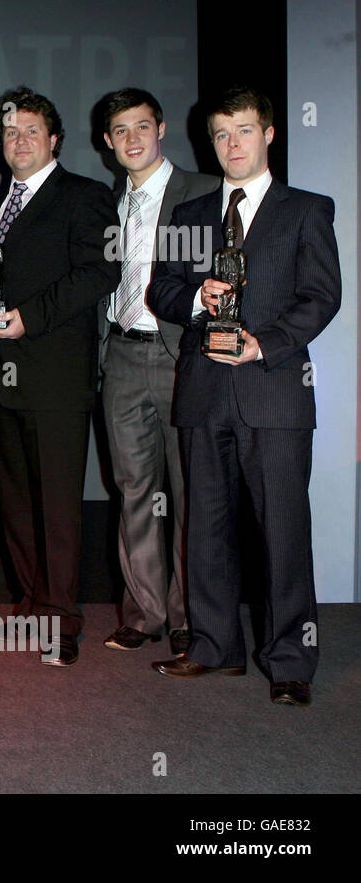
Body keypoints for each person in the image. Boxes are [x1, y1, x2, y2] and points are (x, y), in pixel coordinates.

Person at [147, 87, 341, 706]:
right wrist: (193, 298)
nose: (233, 144)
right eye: (222, 134)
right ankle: (213, 647)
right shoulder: (188, 215)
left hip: (275, 391)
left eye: (245, 131)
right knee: (204, 526)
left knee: (282, 530)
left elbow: (321, 297)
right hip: (204, 391)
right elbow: (161, 291)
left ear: (270, 135)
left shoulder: (307, 209)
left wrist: (267, 344)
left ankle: (290, 663)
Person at [0, 87, 119, 667]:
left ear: (54, 139)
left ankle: (60, 618)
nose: (20, 140)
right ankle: (30, 604)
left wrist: (24, 320)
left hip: (55, 375)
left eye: (31, 130)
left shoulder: (85, 197)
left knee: (56, 503)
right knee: (13, 500)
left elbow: (99, 272)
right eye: (10, 132)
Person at [97, 88, 219, 656]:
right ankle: (145, 613)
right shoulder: (110, 205)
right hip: (120, 356)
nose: (132, 138)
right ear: (107, 141)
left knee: (192, 492)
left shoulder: (203, 192)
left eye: (141, 126)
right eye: (120, 130)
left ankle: (192, 616)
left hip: (182, 355)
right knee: (134, 491)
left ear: (161, 128)